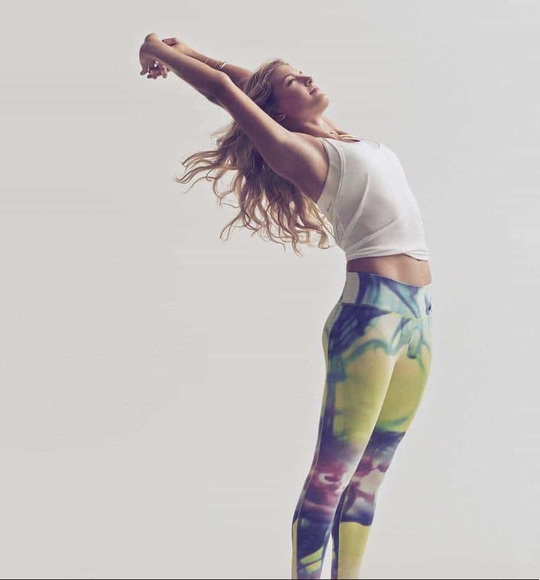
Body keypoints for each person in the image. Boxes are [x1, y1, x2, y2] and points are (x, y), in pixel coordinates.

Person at [138, 34, 433, 580]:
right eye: (292, 81)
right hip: (369, 318)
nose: (306, 77)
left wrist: (192, 50)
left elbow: (244, 82)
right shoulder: (297, 151)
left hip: (419, 318)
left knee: (369, 479)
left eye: (300, 71)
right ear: (276, 111)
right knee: (330, 481)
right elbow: (227, 90)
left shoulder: (343, 138)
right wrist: (157, 47)